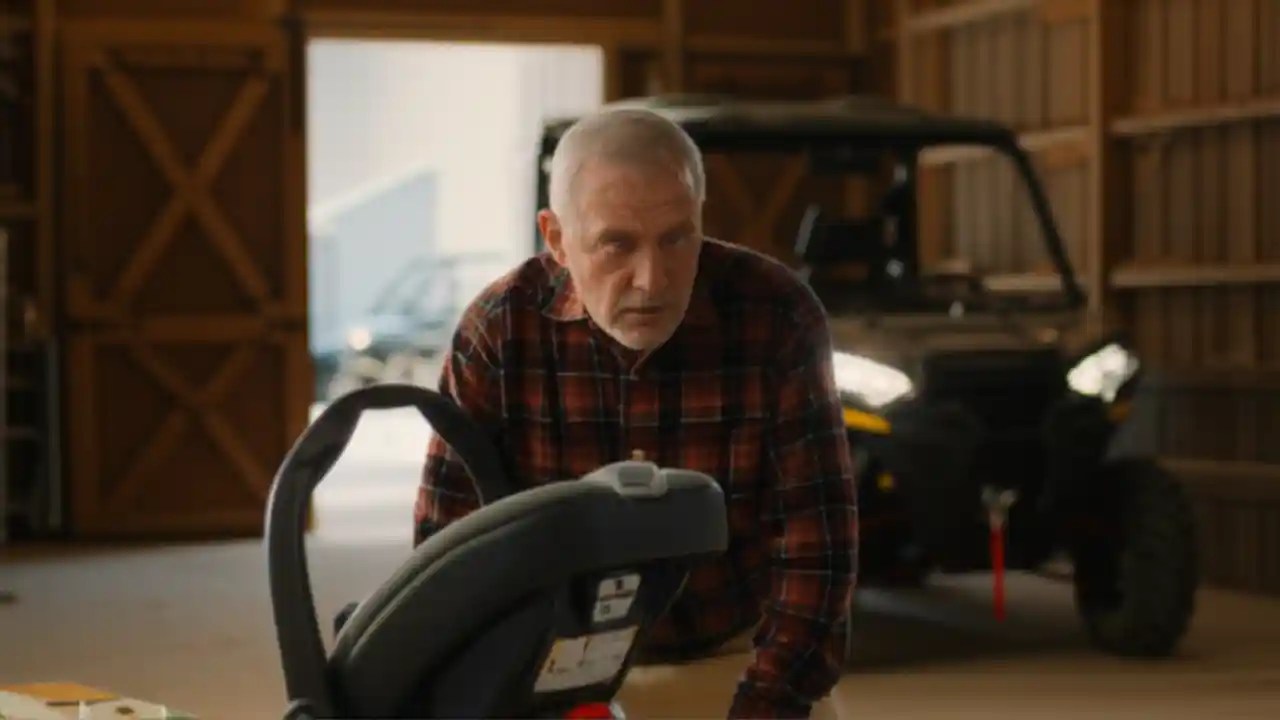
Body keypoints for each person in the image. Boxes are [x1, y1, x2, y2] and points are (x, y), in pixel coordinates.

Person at [414, 107, 858, 718]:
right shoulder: (499, 330)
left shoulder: (778, 316)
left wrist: (767, 703)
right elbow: (446, 547)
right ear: (557, 239)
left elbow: (818, 552)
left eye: (677, 238)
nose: (652, 279)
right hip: (551, 664)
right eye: (616, 244)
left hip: (732, 654)